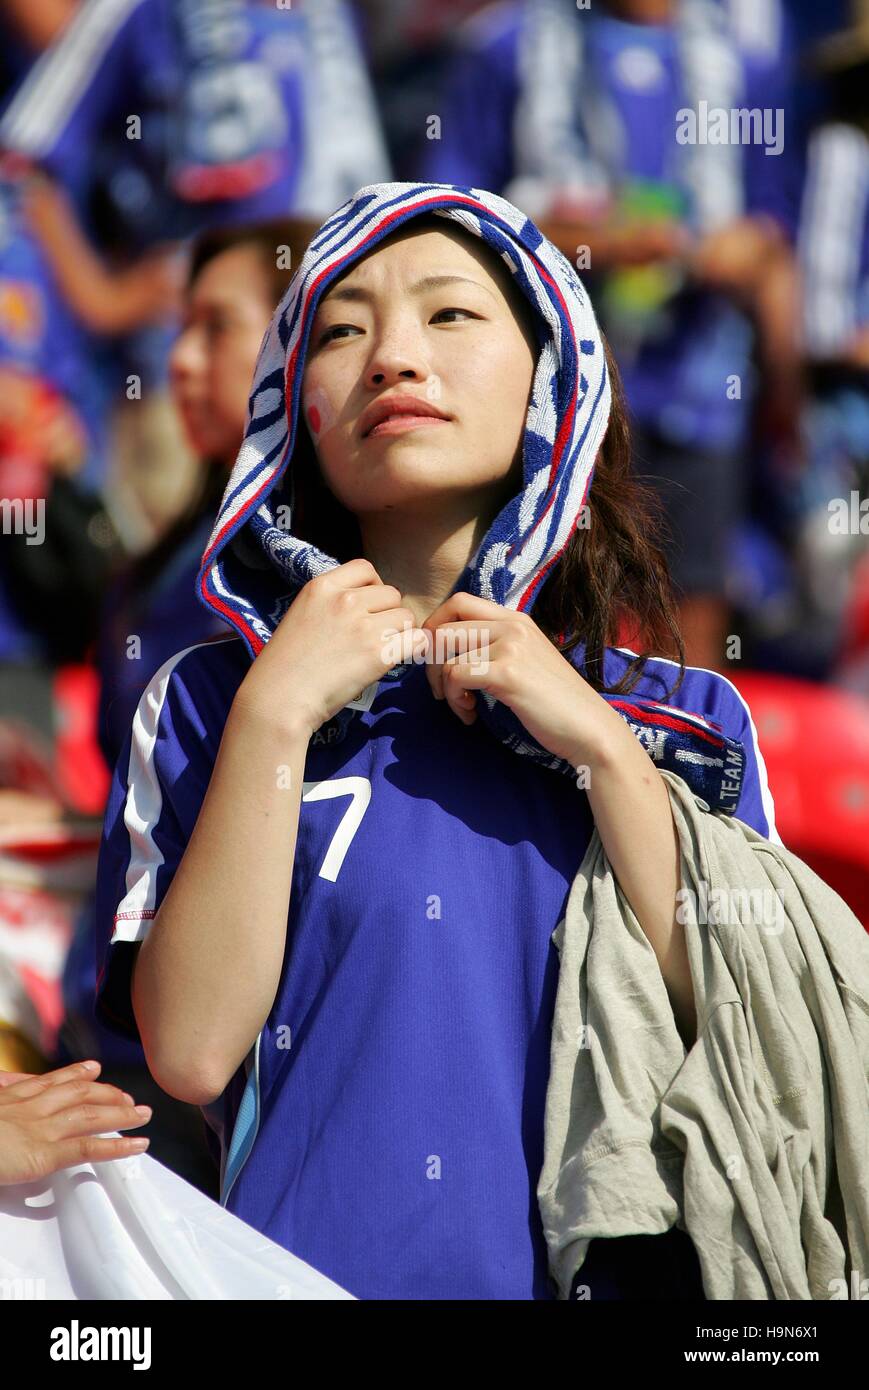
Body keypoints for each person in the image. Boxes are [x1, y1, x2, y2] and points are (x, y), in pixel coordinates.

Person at [93, 181, 779, 1301]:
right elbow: (192, 1050)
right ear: (293, 403)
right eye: (343, 329)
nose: (391, 359)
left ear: (548, 378)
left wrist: (601, 751)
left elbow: (742, 1025)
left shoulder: (681, 720)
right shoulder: (211, 700)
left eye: (449, 315)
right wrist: (277, 714)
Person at [57, 219, 315, 1198]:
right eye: (179, 328)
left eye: (217, 327)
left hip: (204, 1069)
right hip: (111, 1024)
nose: (179, 361)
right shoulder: (163, 556)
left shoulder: (288, 580)